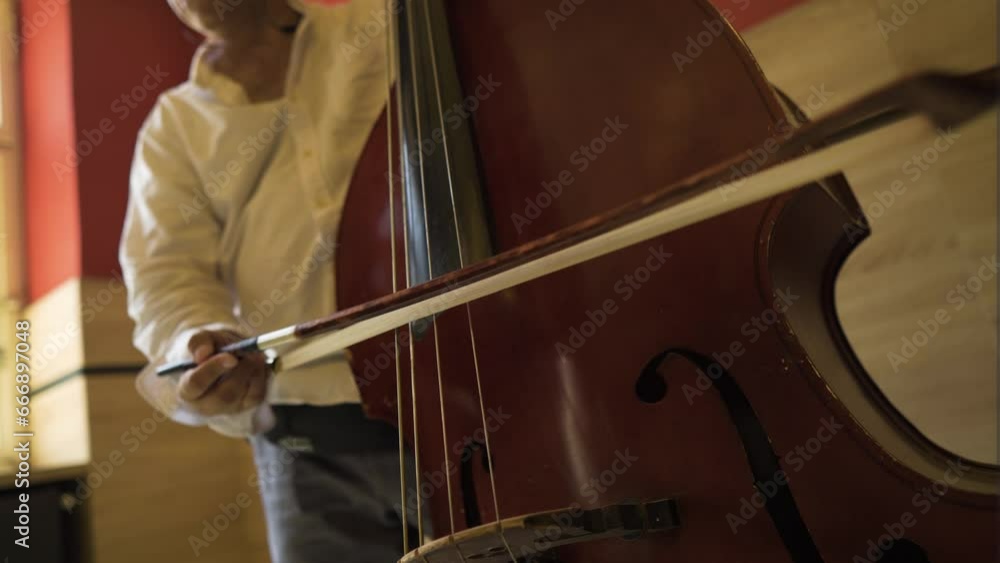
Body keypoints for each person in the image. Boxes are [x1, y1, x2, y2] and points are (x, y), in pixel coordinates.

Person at [120, 1, 416, 561]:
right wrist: (198, 339)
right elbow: (165, 275)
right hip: (300, 445)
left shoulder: (386, 28)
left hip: (467, 403)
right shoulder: (174, 125)